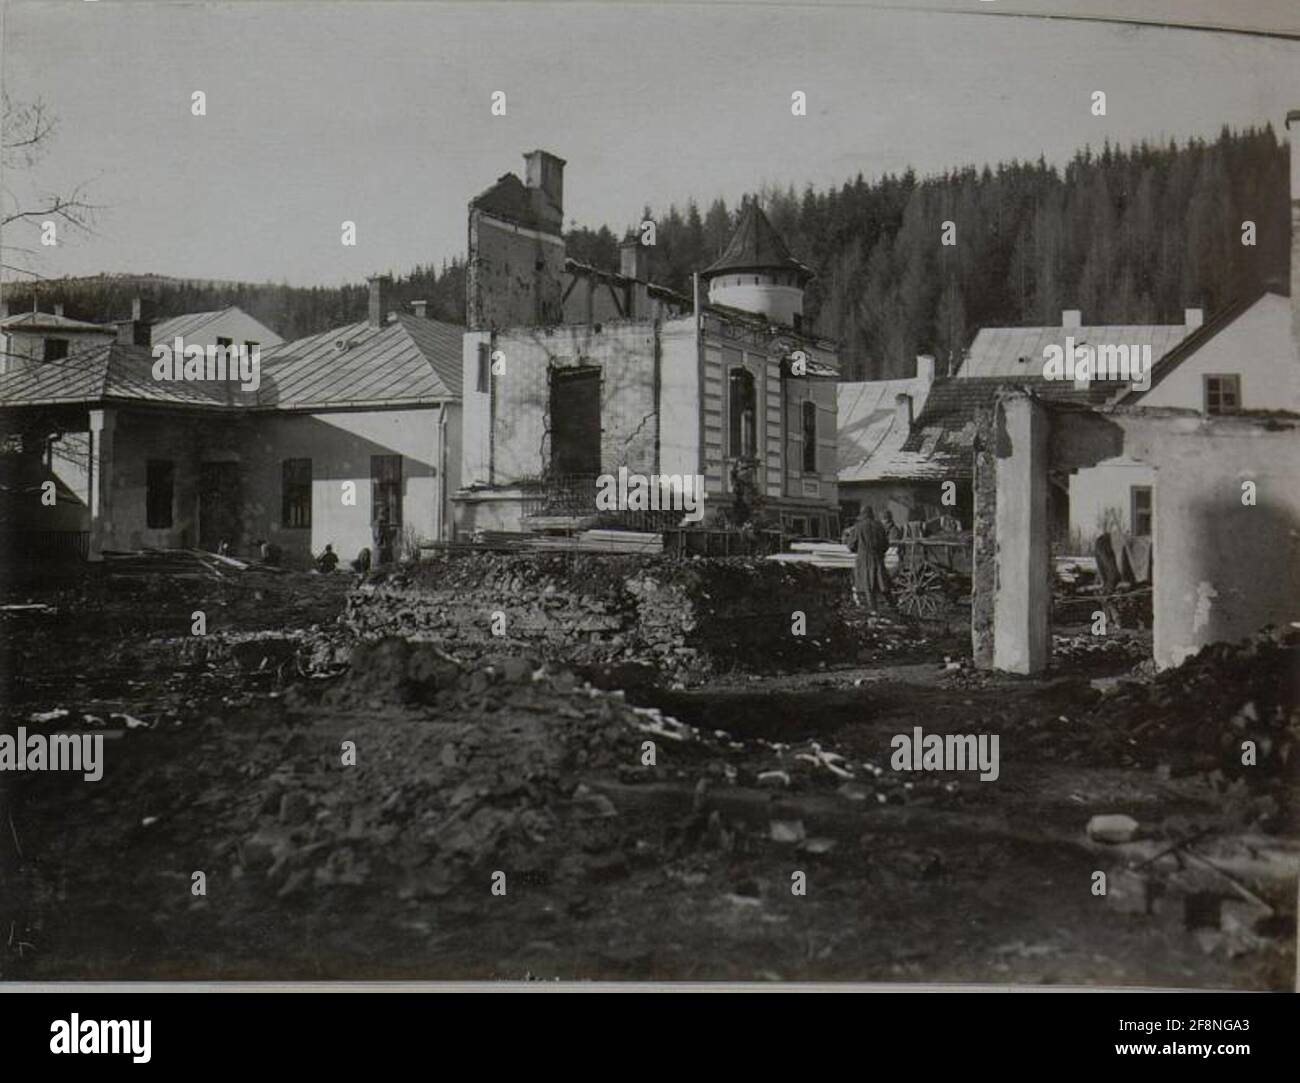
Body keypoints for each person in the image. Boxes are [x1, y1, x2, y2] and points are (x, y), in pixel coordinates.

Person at [846, 506, 891, 612]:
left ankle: (873, 611)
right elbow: (886, 545)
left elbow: (851, 546)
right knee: (882, 584)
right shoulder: (879, 526)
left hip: (864, 561)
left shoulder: (858, 527)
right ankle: (893, 606)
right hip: (878, 559)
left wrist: (859, 549)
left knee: (868, 586)